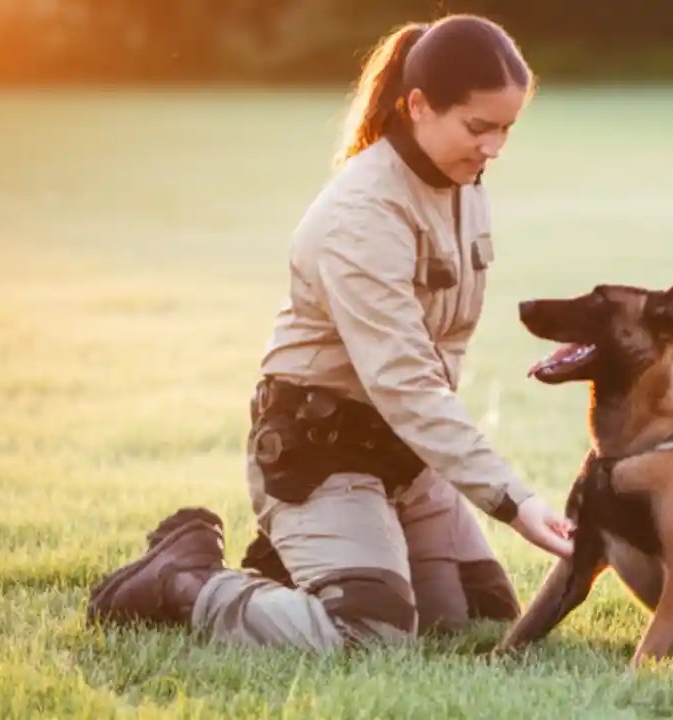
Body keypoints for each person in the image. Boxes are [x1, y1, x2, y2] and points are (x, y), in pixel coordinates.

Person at [86, 14, 574, 650]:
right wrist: (514, 500)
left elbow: (438, 359)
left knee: (479, 620)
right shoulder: (362, 214)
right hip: (319, 450)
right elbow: (403, 381)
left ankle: (303, 565)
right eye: (478, 127)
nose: (492, 149)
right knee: (372, 633)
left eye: (506, 129)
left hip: (404, 455)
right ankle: (185, 581)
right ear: (419, 106)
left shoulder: (463, 182)